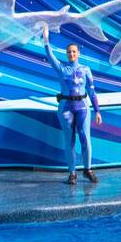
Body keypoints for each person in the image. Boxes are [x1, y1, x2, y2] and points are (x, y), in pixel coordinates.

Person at [41, 23, 101, 184]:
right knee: (70, 141)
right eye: (69, 52)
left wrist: (97, 111)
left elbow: (92, 91)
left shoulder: (86, 69)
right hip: (66, 108)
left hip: (82, 107)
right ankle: (72, 173)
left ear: (78, 53)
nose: (71, 54)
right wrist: (46, 39)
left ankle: (87, 170)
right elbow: (49, 54)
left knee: (85, 139)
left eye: (74, 51)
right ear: (67, 54)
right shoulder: (61, 68)